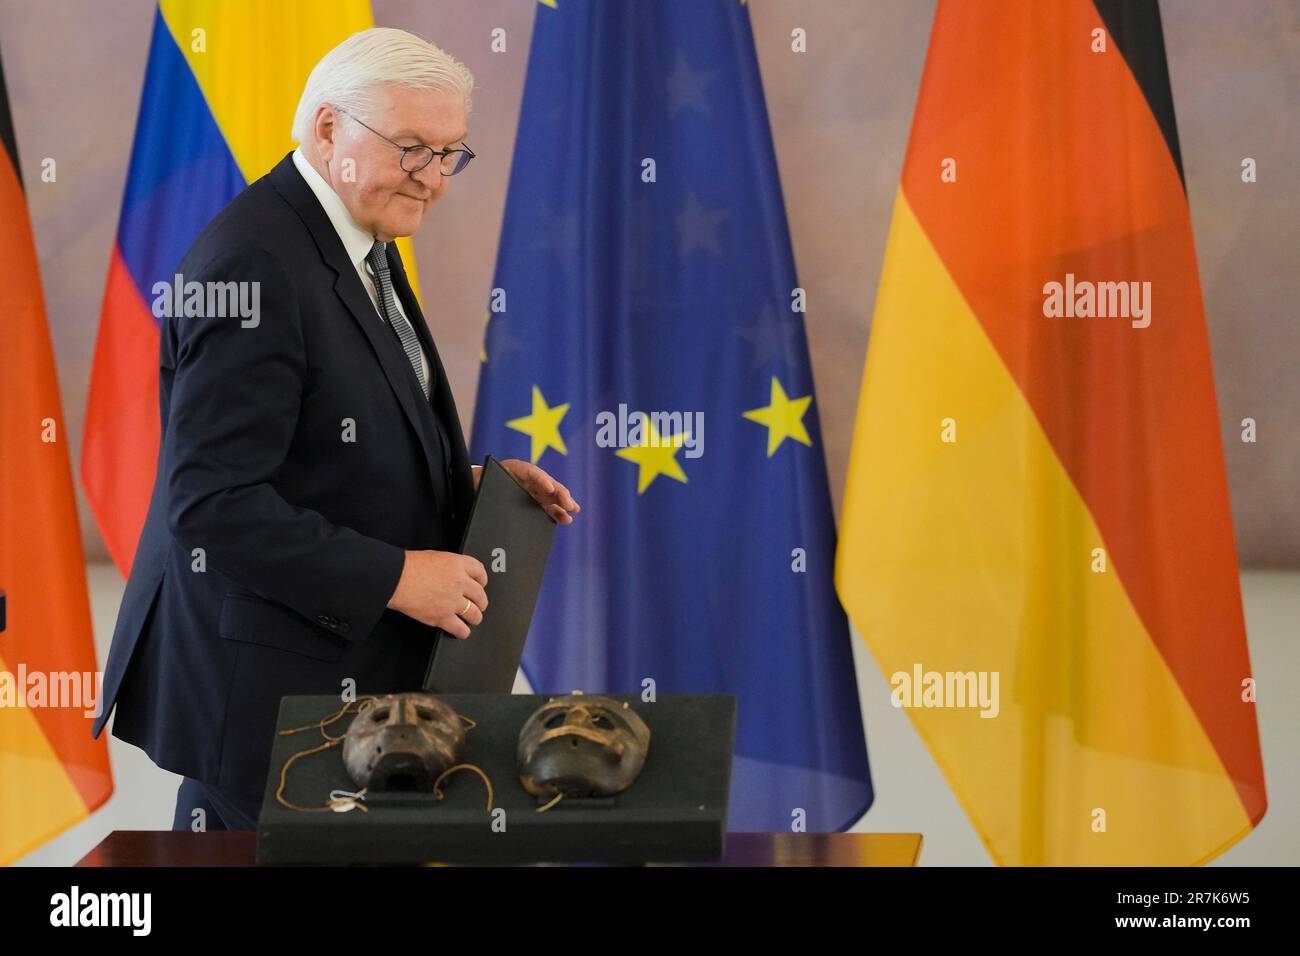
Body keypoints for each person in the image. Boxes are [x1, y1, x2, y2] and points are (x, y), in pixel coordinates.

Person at [91, 28, 579, 831]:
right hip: (273, 717)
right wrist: (398, 577)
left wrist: (467, 489)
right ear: (326, 129)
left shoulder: (359, 237)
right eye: (412, 148)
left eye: (451, 153)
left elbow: (322, 443)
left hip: (346, 700)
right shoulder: (251, 265)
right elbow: (212, 506)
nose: (433, 179)